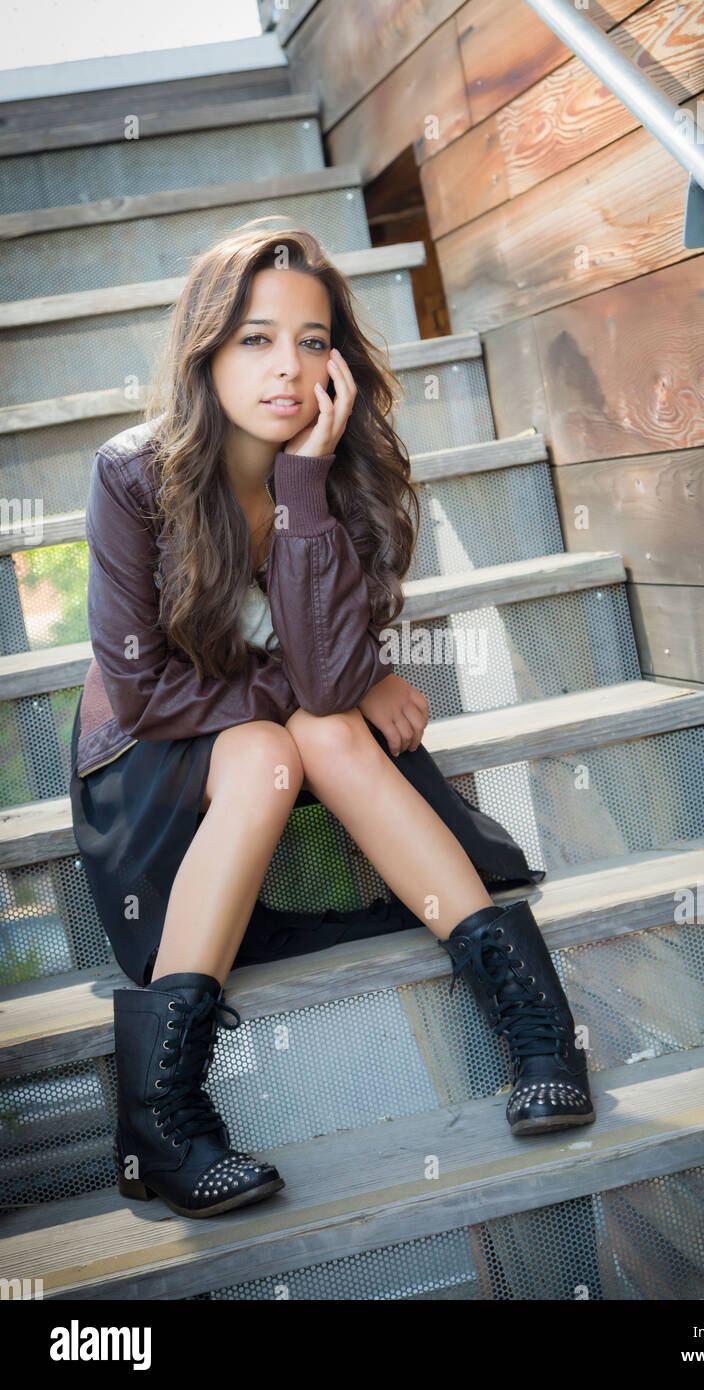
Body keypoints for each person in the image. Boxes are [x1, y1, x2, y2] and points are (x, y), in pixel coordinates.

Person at [69, 220, 595, 1221]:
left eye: (313, 341)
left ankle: (535, 1030)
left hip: (306, 741)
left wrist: (302, 488)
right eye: (256, 338)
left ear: (340, 361)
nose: (288, 367)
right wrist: (348, 686)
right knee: (282, 741)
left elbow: (322, 681)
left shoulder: (338, 474)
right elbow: (142, 692)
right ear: (206, 350)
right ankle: (163, 1117)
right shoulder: (131, 475)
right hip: (154, 769)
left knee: (313, 733)